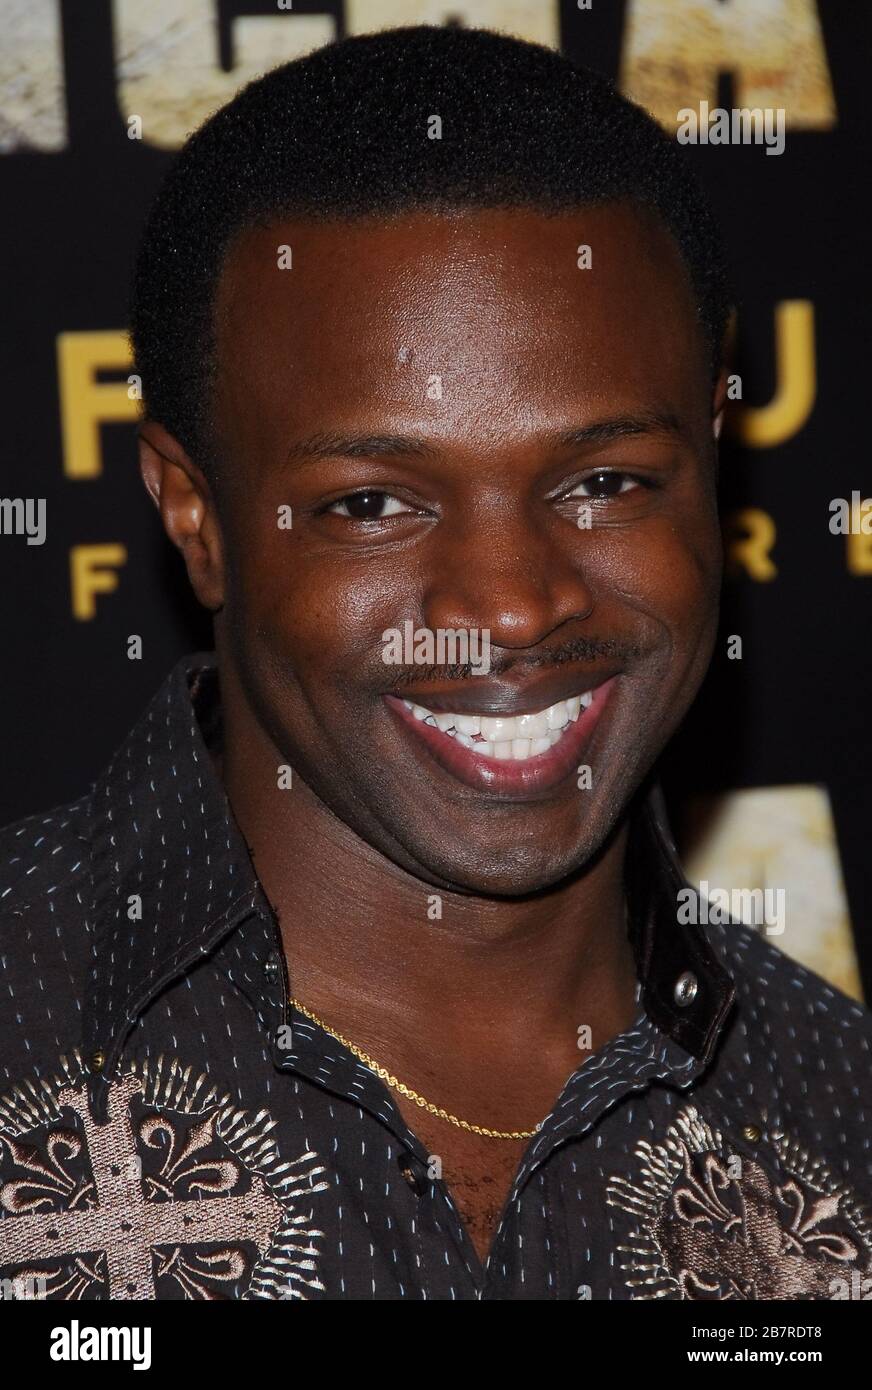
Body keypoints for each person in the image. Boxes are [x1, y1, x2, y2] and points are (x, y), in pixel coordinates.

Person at [1, 24, 870, 1302]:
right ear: (197, 516)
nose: (512, 608)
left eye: (604, 481)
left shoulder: (837, 1115)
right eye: (371, 503)